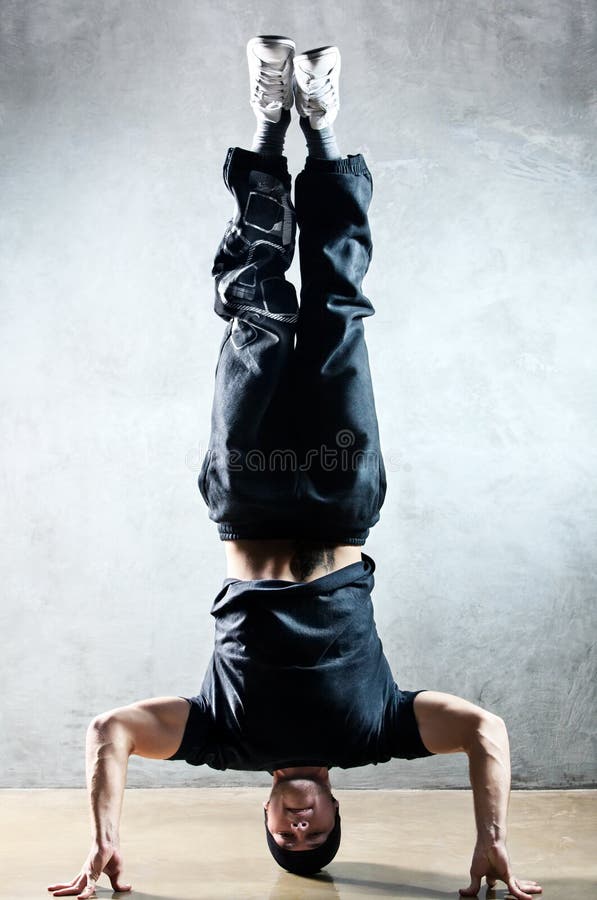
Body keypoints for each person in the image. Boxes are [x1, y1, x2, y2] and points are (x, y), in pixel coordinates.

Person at [48, 36, 542, 900]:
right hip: (342, 499)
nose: (301, 828)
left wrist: (104, 838)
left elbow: (109, 730)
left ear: (268, 817)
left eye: (287, 839)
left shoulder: (223, 741)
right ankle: (322, 128)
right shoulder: (377, 732)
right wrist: (492, 837)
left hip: (246, 496)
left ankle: (268, 126)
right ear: (339, 810)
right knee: (338, 312)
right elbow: (484, 730)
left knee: (256, 314)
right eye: (317, 837)